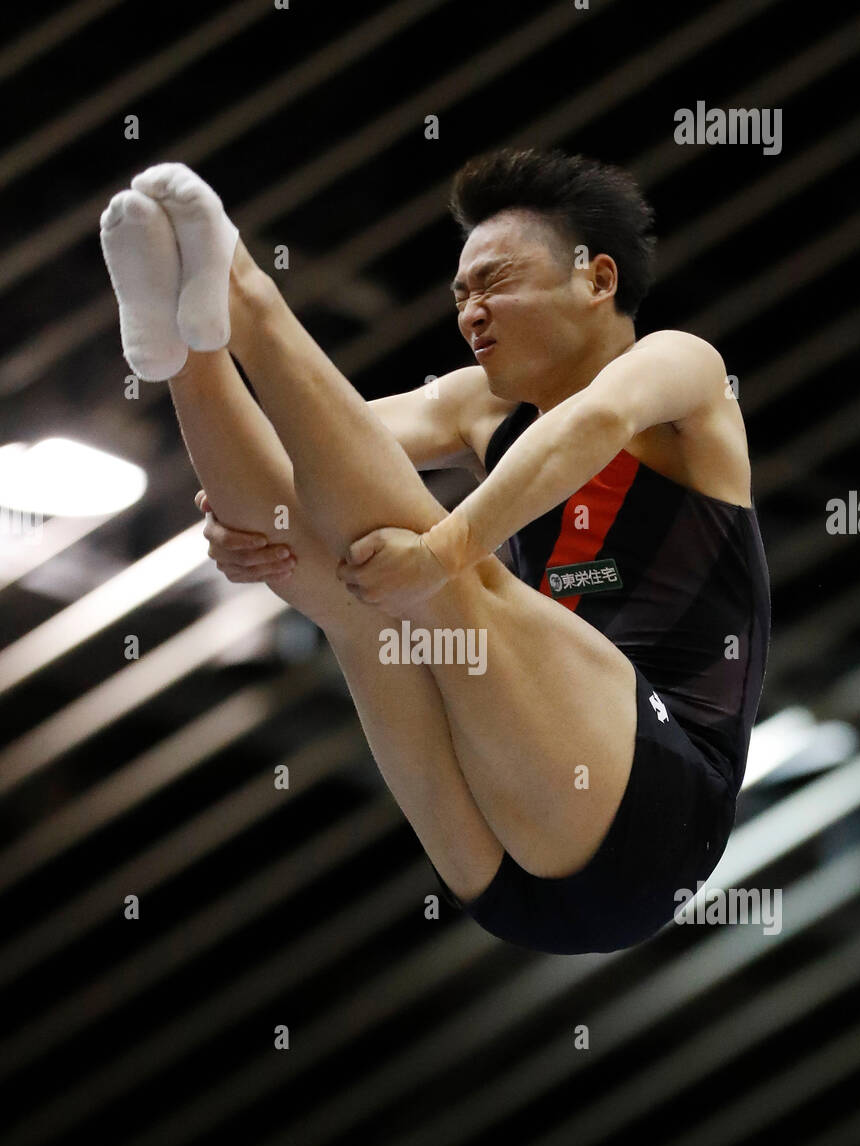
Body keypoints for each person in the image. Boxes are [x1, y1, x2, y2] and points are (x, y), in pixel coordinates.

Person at [99, 147, 770, 955]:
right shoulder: (475, 406)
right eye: (460, 296)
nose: (470, 313)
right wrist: (228, 521)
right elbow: (302, 455)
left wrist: (446, 550)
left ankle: (240, 281)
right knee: (353, 600)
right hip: (507, 854)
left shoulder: (682, 368)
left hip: (659, 817)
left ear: (597, 281)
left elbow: (589, 427)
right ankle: (185, 349)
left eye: (493, 282)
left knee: (439, 578)